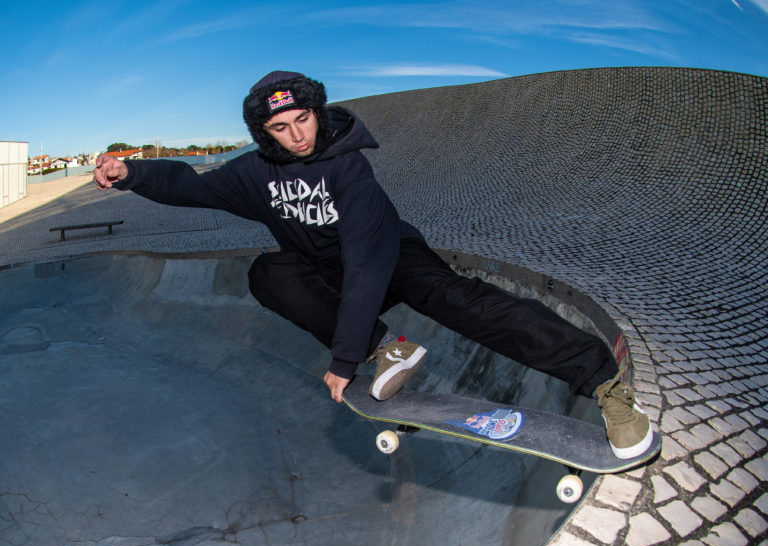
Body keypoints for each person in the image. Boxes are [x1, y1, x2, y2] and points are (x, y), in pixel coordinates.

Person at [93, 70, 653, 460]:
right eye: (281, 129)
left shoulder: (349, 168)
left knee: (462, 302)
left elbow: (366, 262)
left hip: (390, 254)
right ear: (264, 134)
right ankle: (389, 349)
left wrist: (343, 358)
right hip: (327, 269)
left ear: (317, 113)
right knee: (269, 273)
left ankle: (603, 381)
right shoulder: (253, 174)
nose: (298, 137)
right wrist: (131, 174)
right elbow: (191, 185)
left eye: (303, 120)